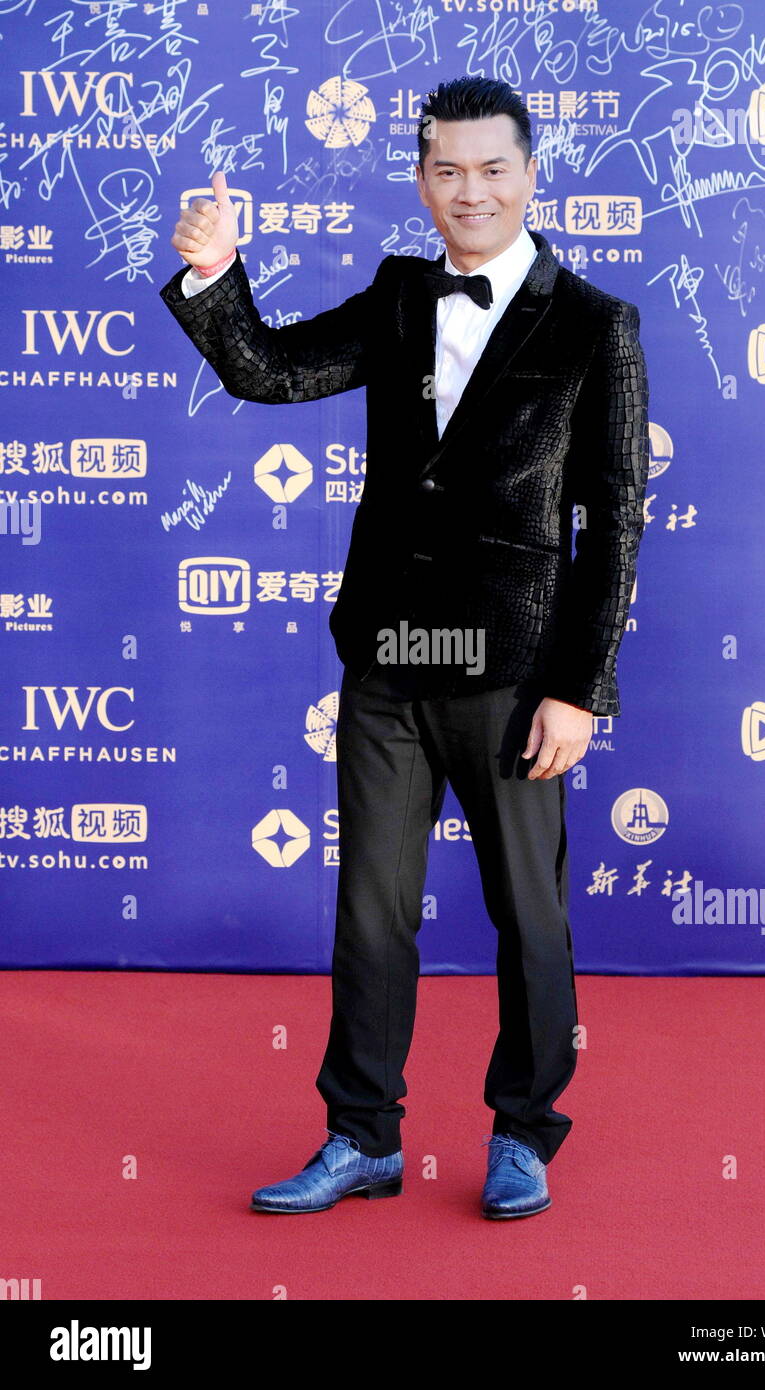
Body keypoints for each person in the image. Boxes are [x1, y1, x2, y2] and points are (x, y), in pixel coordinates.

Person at [160, 76, 649, 1220]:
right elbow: (271, 370)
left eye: (490, 169)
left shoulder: (594, 324)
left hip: (515, 672)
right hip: (385, 660)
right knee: (370, 910)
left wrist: (578, 689)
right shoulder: (395, 292)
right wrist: (214, 277)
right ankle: (360, 1134)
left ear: (529, 174)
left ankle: (523, 1130)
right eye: (445, 171)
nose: (467, 191)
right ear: (420, 180)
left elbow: (612, 519)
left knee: (528, 912)